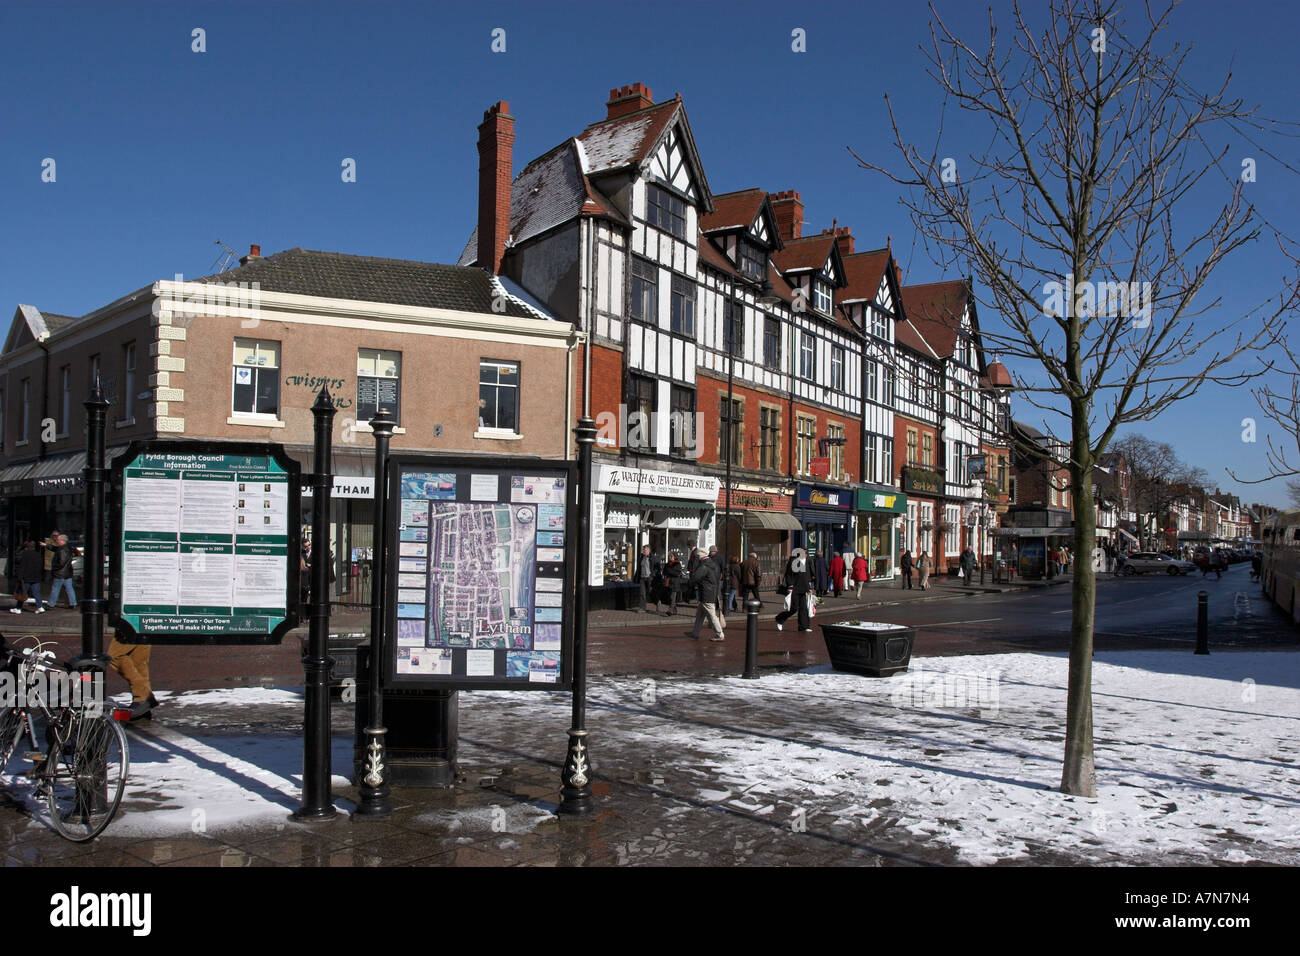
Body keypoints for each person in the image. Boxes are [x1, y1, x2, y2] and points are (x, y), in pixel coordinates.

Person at [108, 628, 158, 721]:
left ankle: (144, 696)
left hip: (131, 619)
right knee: (137, 659)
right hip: (145, 618)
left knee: (115, 656)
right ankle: (142, 705)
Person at [688, 548, 725, 641]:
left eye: (697, 556)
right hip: (711, 591)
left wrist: (690, 582)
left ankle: (720, 634)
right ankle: (695, 633)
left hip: (706, 593)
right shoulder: (713, 565)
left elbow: (695, 578)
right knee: (700, 614)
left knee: (712, 615)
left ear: (700, 556)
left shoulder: (703, 566)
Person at [774, 548, 812, 632]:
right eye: (804, 553)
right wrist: (790, 586)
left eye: (806, 554)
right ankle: (779, 619)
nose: (806, 555)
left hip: (802, 588)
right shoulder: (793, 562)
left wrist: (808, 588)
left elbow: (805, 577)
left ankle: (803, 626)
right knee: (793, 608)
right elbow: (789, 575)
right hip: (794, 588)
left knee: (803, 608)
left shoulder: (804, 562)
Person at [10, 541, 45, 614]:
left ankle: (18, 608)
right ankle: (40, 607)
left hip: (26, 577)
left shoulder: (25, 554)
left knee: (22, 593)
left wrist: (19, 577)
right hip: (36, 577)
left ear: (26, 547)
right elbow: (41, 566)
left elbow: (22, 567)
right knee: (37, 593)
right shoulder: (38, 555)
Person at [46, 534, 77, 610]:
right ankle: (73, 603)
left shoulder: (63, 550)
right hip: (67, 572)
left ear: (62, 541)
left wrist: (54, 568)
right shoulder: (66, 548)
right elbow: (55, 549)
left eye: (58, 540)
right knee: (69, 588)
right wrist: (47, 545)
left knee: (56, 588)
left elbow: (61, 562)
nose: (57, 541)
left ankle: (51, 604)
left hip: (60, 573)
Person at [634, 545, 661, 614]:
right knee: (642, 593)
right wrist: (637, 576)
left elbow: (657, 568)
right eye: (643, 550)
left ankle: (657, 602)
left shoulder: (653, 558)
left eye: (644, 550)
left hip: (650, 578)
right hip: (642, 578)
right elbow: (639, 568)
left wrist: (652, 575)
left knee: (651, 592)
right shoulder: (641, 557)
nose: (643, 551)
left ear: (649, 550)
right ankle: (642, 608)